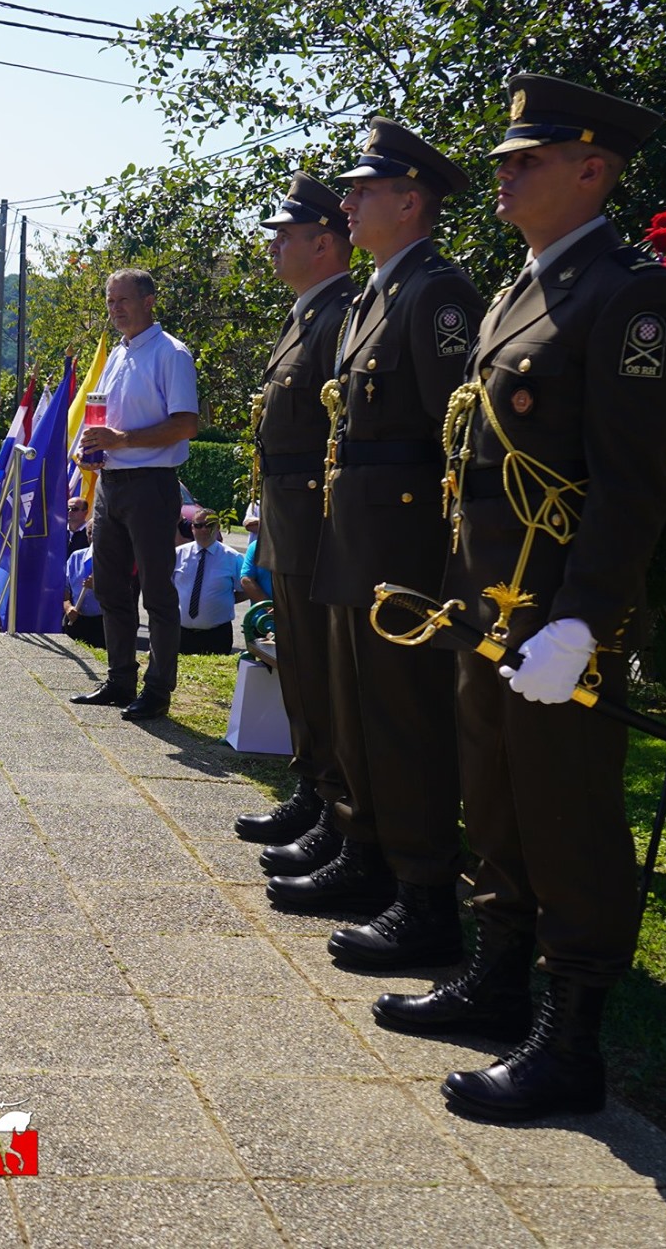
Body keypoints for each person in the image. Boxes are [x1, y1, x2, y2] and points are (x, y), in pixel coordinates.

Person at [376, 78, 666, 1123]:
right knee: (497, 798)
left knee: (567, 814)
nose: (504, 173)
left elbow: (628, 479)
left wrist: (582, 618)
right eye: (505, 158)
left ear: (591, 169)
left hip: (556, 616)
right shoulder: (520, 288)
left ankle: (570, 1043)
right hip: (486, 600)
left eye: (529, 158)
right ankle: (495, 977)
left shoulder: (625, 293)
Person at [268, 121, 481, 955]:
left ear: (412, 200)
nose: (346, 201)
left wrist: (447, 554)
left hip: (403, 543)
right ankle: (366, 852)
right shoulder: (379, 296)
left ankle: (423, 893)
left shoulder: (437, 294)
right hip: (356, 531)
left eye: (363, 190)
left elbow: (453, 436)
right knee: (359, 713)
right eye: (348, 190)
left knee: (403, 720)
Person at [236, 173, 361, 856]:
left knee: (323, 666)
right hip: (290, 514)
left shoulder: (342, 312)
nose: (274, 246)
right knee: (302, 664)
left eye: (286, 236)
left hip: (319, 519)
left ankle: (333, 804)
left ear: (324, 243)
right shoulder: (309, 312)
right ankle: (312, 789)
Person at [70, 268, 200, 721]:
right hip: (110, 484)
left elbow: (186, 424)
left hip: (151, 484)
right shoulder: (117, 355)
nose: (116, 309)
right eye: (109, 302)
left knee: (157, 592)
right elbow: (99, 416)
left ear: (149, 301)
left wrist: (120, 441)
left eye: (123, 300)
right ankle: (120, 678)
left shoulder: (172, 354)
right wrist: (87, 450)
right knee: (108, 586)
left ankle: (158, 690)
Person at [173, 510, 247, 653]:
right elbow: (166, 588)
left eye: (209, 525)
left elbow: (246, 589)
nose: (204, 529)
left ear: (218, 527)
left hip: (217, 636)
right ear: (192, 528)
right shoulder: (178, 554)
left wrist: (224, 599)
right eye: (199, 525)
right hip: (180, 633)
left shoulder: (233, 558)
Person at [62, 544, 105, 648]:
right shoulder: (76, 557)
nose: (93, 537)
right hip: (75, 619)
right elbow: (64, 588)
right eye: (90, 533)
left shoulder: (113, 559)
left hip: (102, 623)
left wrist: (98, 586)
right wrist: (68, 607)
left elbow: (122, 592)